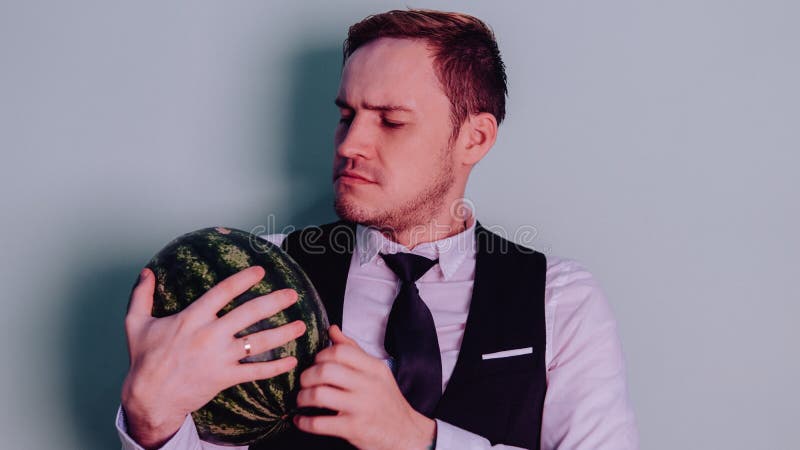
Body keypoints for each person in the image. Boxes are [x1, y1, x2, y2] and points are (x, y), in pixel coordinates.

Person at [117, 8, 639, 450]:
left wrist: (419, 438)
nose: (349, 144)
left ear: (474, 139)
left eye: (390, 121)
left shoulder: (561, 299)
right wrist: (152, 421)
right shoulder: (259, 279)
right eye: (347, 115)